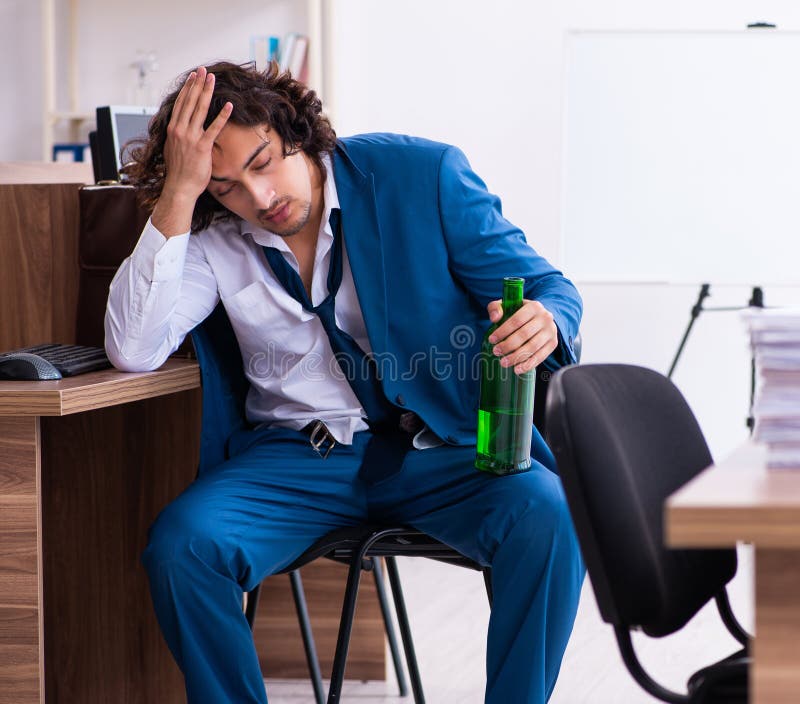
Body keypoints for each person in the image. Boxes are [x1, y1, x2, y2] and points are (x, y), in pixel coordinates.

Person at [105, 60, 584, 704]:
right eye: (226, 187)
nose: (259, 198)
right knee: (185, 548)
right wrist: (180, 196)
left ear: (293, 129)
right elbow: (133, 349)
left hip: (443, 449)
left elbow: (550, 287)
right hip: (297, 462)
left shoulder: (423, 177)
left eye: (263, 162)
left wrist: (547, 320)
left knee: (549, 516)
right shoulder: (213, 237)